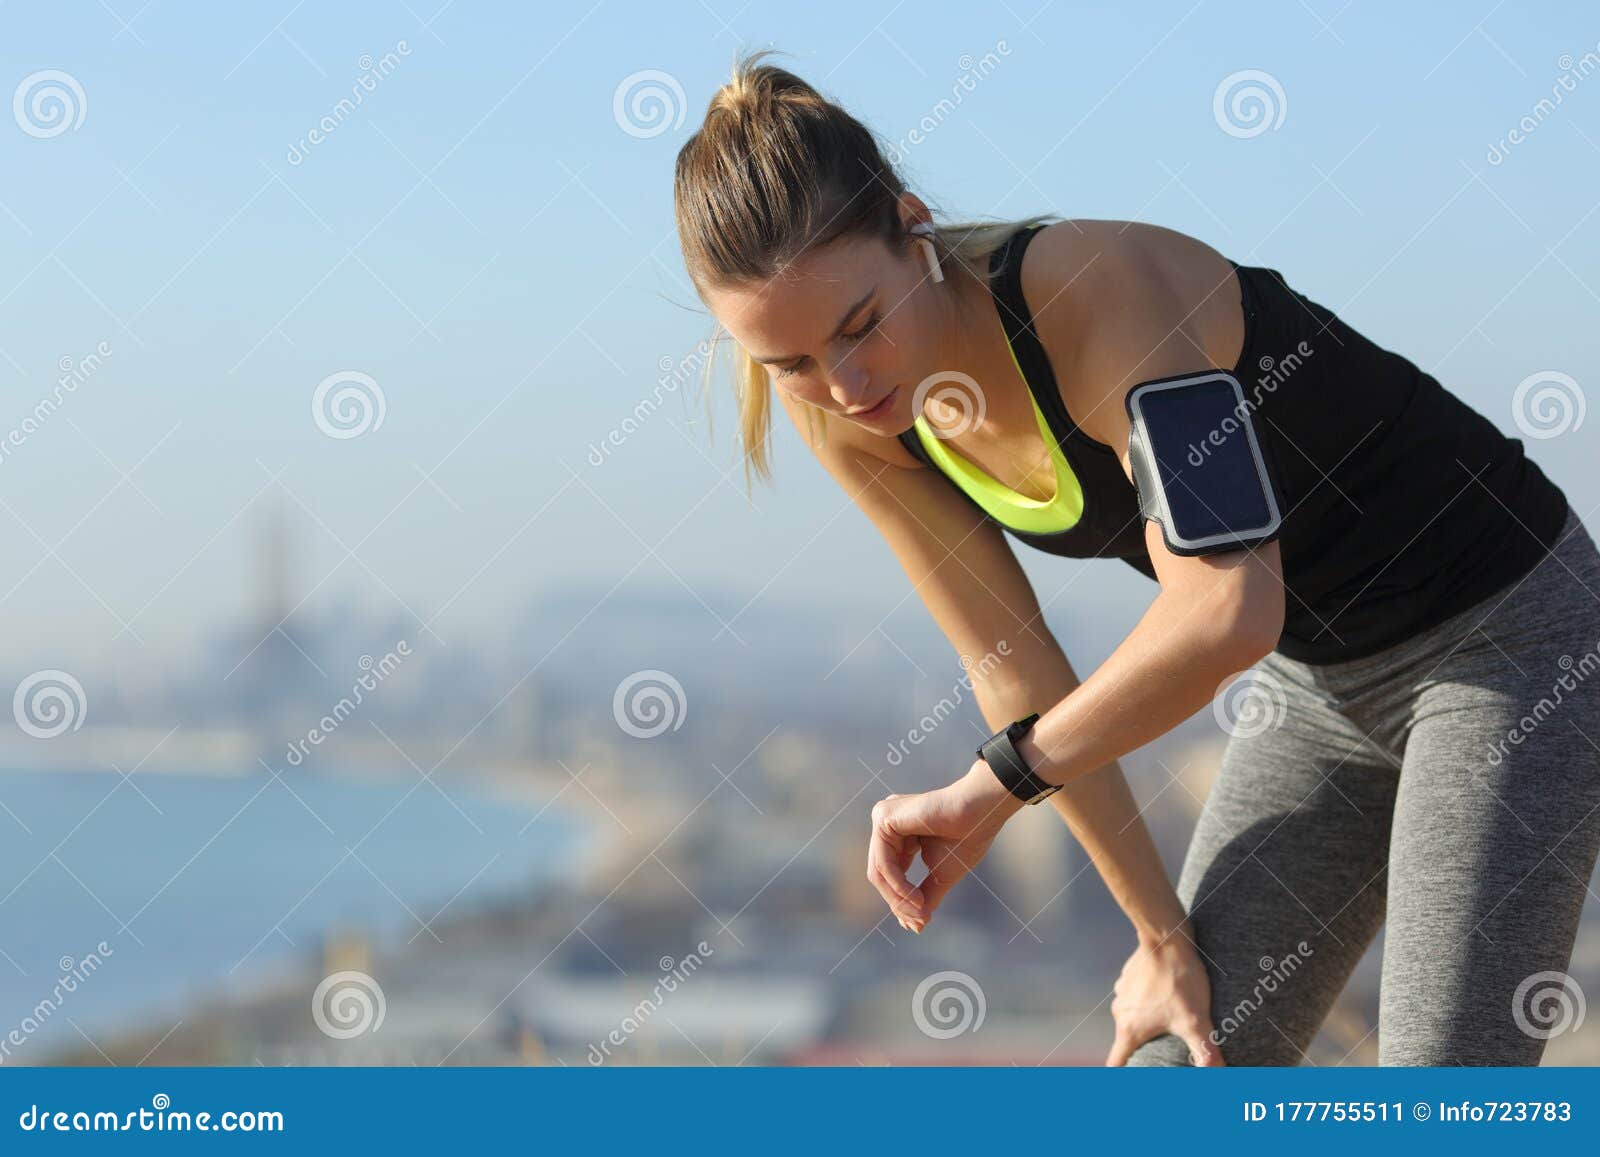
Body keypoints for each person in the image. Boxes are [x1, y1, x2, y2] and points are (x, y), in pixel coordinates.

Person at [673, 49, 1600, 1066]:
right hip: (1315, 696)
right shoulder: (859, 425)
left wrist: (992, 789)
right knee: (1175, 1064)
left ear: (913, 224)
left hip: (1505, 649)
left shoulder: (1093, 291)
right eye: (790, 363)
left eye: (860, 326)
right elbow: (1013, 671)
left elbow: (1224, 607)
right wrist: (1160, 938)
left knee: (1436, 1096)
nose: (844, 383)